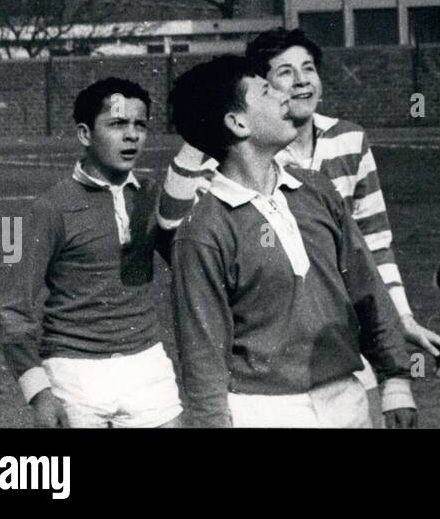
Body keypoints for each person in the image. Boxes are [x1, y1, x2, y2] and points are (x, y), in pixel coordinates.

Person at [158, 28, 440, 385]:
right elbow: (173, 224)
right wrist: (202, 121)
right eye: (284, 73)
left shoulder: (349, 139)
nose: (301, 81)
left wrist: (402, 319)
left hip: (346, 329)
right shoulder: (246, 157)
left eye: (309, 68)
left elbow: (373, 245)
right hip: (275, 348)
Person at [169, 56, 416, 427]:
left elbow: (367, 288)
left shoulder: (317, 190)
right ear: (237, 123)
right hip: (263, 410)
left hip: (347, 400)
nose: (285, 95)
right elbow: (202, 353)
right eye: (267, 91)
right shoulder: (203, 229)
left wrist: (396, 378)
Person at [0, 78, 181, 428]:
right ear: (85, 134)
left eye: (139, 125)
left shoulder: (152, 196)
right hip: (74, 373)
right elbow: (14, 308)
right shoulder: (51, 208)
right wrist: (39, 393)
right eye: (116, 124)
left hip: (146, 366)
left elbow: (188, 265)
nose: (132, 135)